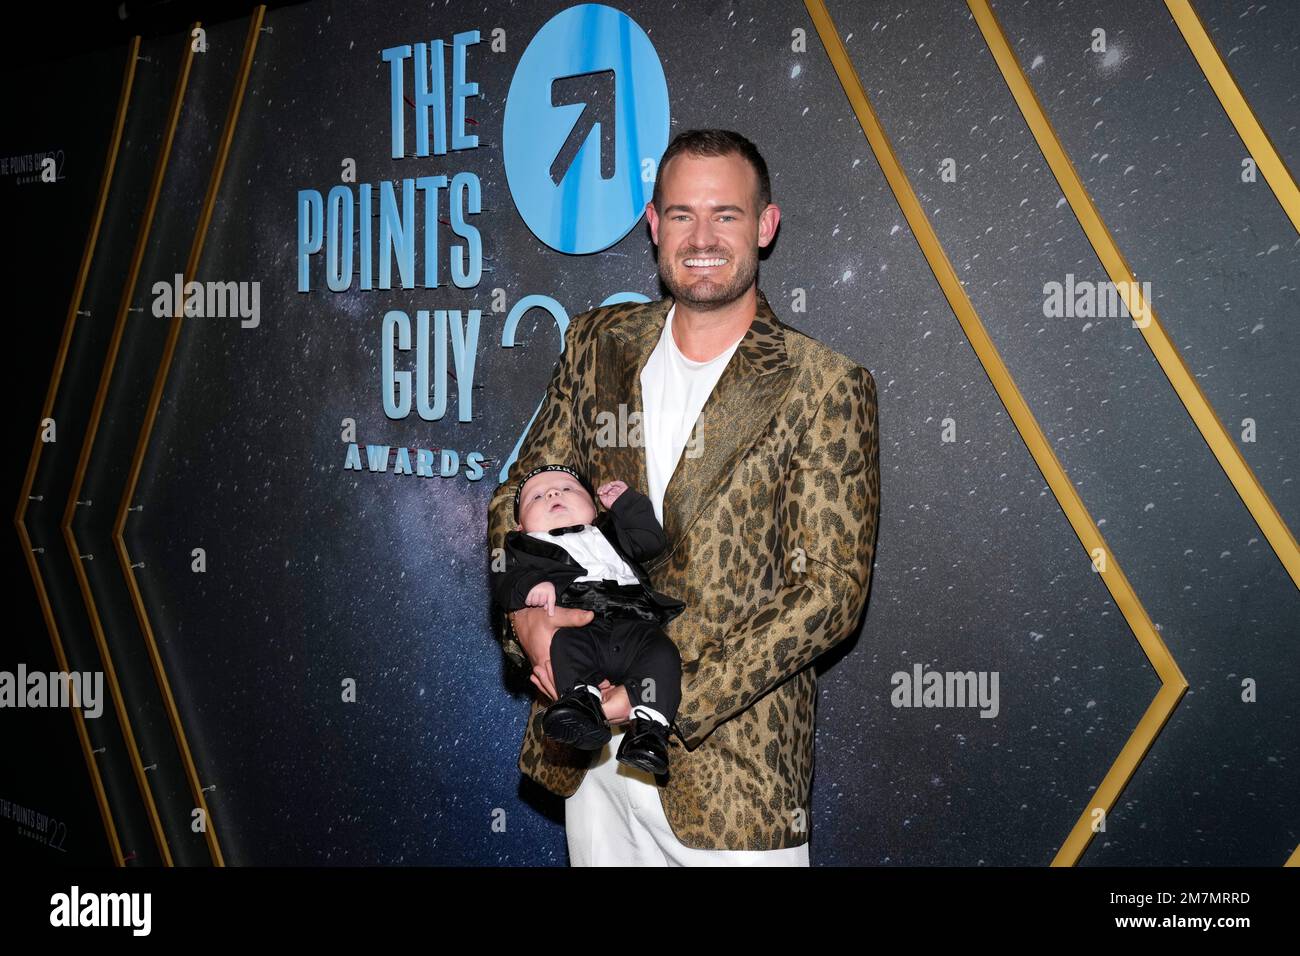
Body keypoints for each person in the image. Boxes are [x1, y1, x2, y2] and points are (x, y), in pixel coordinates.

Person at [487, 128, 881, 865]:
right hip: (592, 766)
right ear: (652, 222)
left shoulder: (823, 385)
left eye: (725, 215)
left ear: (765, 225)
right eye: (680, 215)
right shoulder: (597, 342)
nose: (701, 238)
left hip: (733, 777)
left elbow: (829, 593)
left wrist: (659, 700)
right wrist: (528, 620)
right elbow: (521, 488)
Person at [491, 463, 685, 774]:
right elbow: (502, 581)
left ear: (593, 508)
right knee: (565, 645)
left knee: (663, 654)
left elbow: (651, 541)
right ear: (520, 528)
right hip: (582, 626)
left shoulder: (610, 532)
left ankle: (650, 733)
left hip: (633, 625)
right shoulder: (524, 549)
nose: (554, 492)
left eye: (568, 489)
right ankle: (581, 703)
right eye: (536, 497)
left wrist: (626, 504)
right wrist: (529, 588)